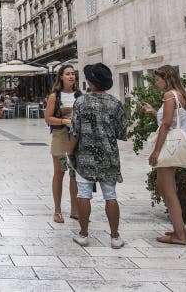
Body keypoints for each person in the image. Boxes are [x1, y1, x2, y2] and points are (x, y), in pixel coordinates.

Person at [68, 63, 127, 248]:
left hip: (85, 155)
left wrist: (70, 151)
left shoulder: (80, 102)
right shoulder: (115, 103)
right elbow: (121, 132)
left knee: (84, 194)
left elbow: (75, 131)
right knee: (110, 195)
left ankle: (84, 234)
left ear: (91, 82)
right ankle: (115, 237)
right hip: (109, 155)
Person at [140, 65, 186, 245]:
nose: (156, 83)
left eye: (158, 79)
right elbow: (173, 121)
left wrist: (156, 151)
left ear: (167, 78)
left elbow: (165, 126)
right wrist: (154, 111)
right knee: (162, 186)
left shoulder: (169, 95)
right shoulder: (182, 95)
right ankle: (181, 230)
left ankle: (179, 234)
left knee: (167, 189)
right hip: (177, 144)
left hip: (169, 146)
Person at [44, 65, 81, 224]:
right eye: (68, 74)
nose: (71, 76)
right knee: (60, 173)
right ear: (61, 77)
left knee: (74, 175)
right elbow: (48, 118)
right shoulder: (55, 96)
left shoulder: (80, 95)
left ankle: (75, 209)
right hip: (60, 137)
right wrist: (63, 121)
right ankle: (57, 210)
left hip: (76, 139)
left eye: (73, 74)